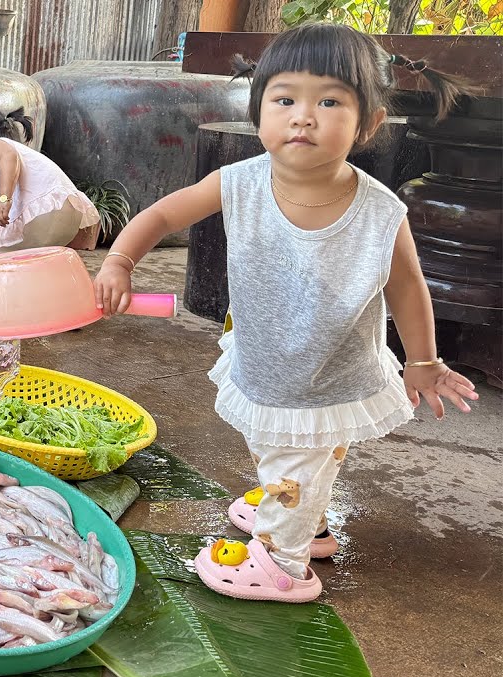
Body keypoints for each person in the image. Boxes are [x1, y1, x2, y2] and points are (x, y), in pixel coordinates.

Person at [93, 23, 478, 603]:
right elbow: (164, 216)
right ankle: (307, 516)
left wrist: (422, 361)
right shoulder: (239, 183)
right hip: (265, 358)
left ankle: (283, 564)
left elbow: (407, 287)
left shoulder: (380, 212)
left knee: (298, 457)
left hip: (329, 374)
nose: (304, 116)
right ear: (258, 113)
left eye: (329, 101)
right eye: (285, 99)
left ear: (368, 122)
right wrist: (119, 260)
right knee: (282, 449)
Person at [0, 108, 100, 255]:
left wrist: (4, 198)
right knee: (36, 258)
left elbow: (8, 155)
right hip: (66, 209)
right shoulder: (21, 154)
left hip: (45, 211)